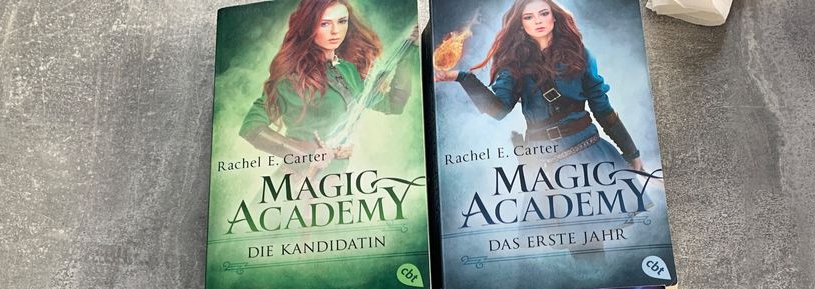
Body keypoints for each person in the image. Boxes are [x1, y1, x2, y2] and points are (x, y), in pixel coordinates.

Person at [435, 0, 650, 178]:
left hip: (590, 151)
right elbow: (498, 111)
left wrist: (632, 152)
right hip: (545, 163)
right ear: (521, 25)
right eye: (528, 17)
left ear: (554, 17)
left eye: (543, 13)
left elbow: (603, 109)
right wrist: (461, 78)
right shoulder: (513, 65)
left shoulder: (580, 55)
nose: (537, 20)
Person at [240, 0, 416, 165]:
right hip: (299, 177)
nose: (335, 31)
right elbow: (251, 127)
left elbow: (393, 105)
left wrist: (407, 53)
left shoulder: (347, 69)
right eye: (325, 23)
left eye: (342, 21)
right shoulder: (292, 76)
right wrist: (307, 155)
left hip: (337, 177)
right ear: (309, 26)